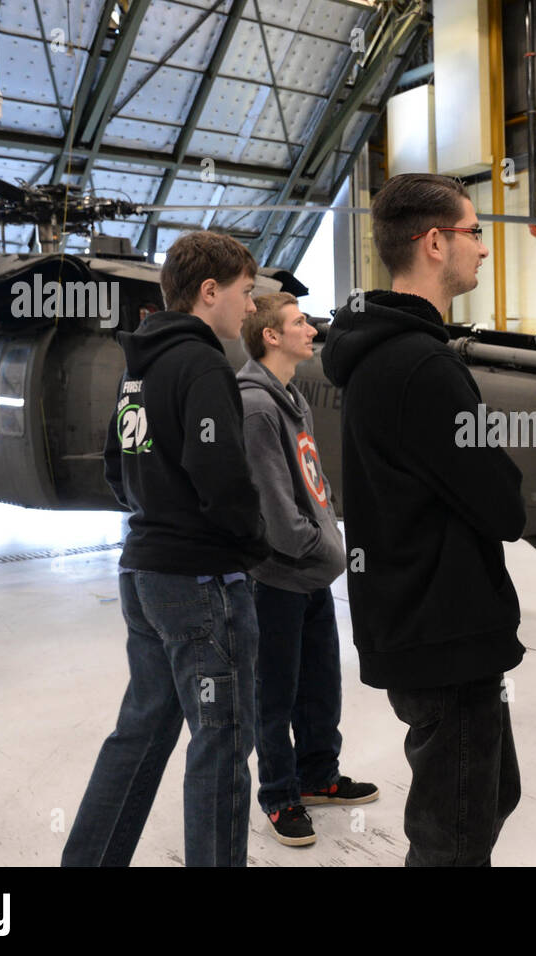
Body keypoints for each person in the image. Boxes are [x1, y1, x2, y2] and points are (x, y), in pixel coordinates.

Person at [321, 173, 526, 866]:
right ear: (434, 243)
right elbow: (502, 503)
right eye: (474, 232)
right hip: (445, 633)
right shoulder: (422, 366)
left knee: (488, 796)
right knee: (453, 836)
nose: (484, 249)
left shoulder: (382, 355)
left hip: (423, 625)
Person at [61, 231, 269, 867]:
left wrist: (159, 514)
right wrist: (251, 542)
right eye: (245, 293)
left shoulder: (139, 365)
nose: (251, 309)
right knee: (220, 745)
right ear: (210, 292)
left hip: (145, 574)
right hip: (202, 583)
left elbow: (115, 467)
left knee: (142, 731)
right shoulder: (203, 363)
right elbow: (223, 477)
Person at [237, 292, 378, 848]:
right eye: (299, 323)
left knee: (320, 684)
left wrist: (324, 545)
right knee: (275, 693)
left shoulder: (290, 394)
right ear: (271, 336)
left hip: (311, 573)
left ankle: (319, 775)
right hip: (278, 576)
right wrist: (322, 545)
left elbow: (309, 484)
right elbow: (276, 510)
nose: (311, 330)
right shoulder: (257, 406)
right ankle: (278, 793)